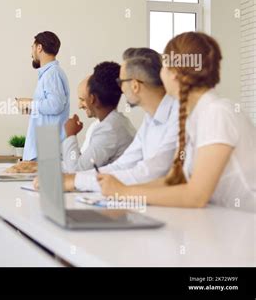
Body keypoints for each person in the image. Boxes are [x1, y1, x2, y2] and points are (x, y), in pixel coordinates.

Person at [96, 32, 255, 212]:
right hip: (226, 222)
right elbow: (173, 182)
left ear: (174, 74)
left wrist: (124, 193)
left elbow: (195, 196)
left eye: (163, 67)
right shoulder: (194, 117)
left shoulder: (217, 113)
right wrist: (120, 191)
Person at [54, 47, 179, 191]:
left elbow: (148, 173)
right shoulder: (150, 119)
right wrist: (74, 179)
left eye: (121, 82)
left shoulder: (175, 116)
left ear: (135, 85)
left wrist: (76, 180)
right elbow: (123, 165)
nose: (120, 89)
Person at [9, 31, 70, 172]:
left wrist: (30, 103)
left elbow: (55, 105)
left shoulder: (52, 73)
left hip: (44, 152)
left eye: (32, 47)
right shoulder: (50, 74)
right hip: (43, 150)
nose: (31, 52)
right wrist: (31, 105)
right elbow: (52, 105)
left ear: (39, 48)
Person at [62, 61, 135, 172]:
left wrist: (70, 135)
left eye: (82, 99)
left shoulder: (108, 129)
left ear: (92, 99)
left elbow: (76, 171)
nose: (79, 105)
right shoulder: (119, 123)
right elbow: (83, 163)